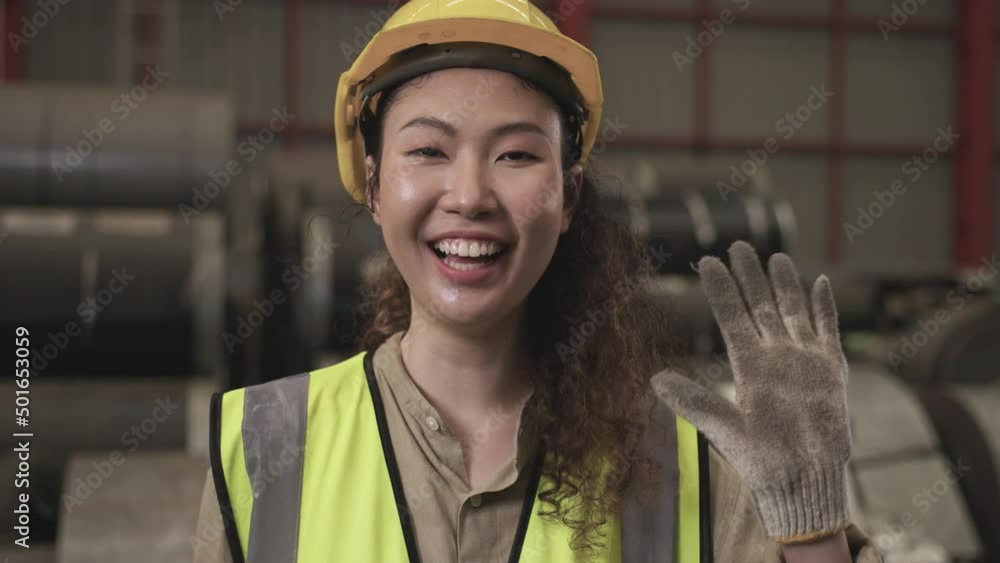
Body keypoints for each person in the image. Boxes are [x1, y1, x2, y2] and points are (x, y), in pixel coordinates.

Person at [192, 0, 884, 561]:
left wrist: (811, 528)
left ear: (570, 196)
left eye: (516, 154)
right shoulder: (263, 445)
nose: (469, 195)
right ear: (374, 185)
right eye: (428, 150)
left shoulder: (681, 463)